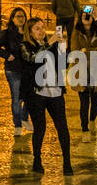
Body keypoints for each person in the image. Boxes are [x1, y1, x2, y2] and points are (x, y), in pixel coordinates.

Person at [19, 17, 72, 175]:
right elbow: (34, 58)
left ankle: (67, 162)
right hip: (37, 93)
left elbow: (63, 65)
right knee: (40, 129)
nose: (41, 31)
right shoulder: (25, 46)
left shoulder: (52, 44)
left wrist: (62, 47)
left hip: (55, 91)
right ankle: (37, 160)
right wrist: (50, 43)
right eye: (37, 28)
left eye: (43, 27)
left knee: (62, 128)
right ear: (30, 32)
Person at [0, 6, 31, 135]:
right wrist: (6, 55)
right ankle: (17, 125)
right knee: (17, 99)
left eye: (23, 16)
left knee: (30, 97)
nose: (21, 19)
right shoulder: (7, 33)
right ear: (12, 19)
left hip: (28, 70)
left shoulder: (28, 33)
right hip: (13, 71)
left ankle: (24, 118)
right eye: (18, 16)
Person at [69, 4, 97, 133]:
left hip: (96, 71)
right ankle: (84, 129)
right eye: (84, 15)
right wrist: (93, 51)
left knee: (96, 101)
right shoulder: (76, 32)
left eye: (89, 15)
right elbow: (75, 52)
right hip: (81, 72)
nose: (87, 17)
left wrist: (87, 50)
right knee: (84, 103)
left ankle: (92, 121)